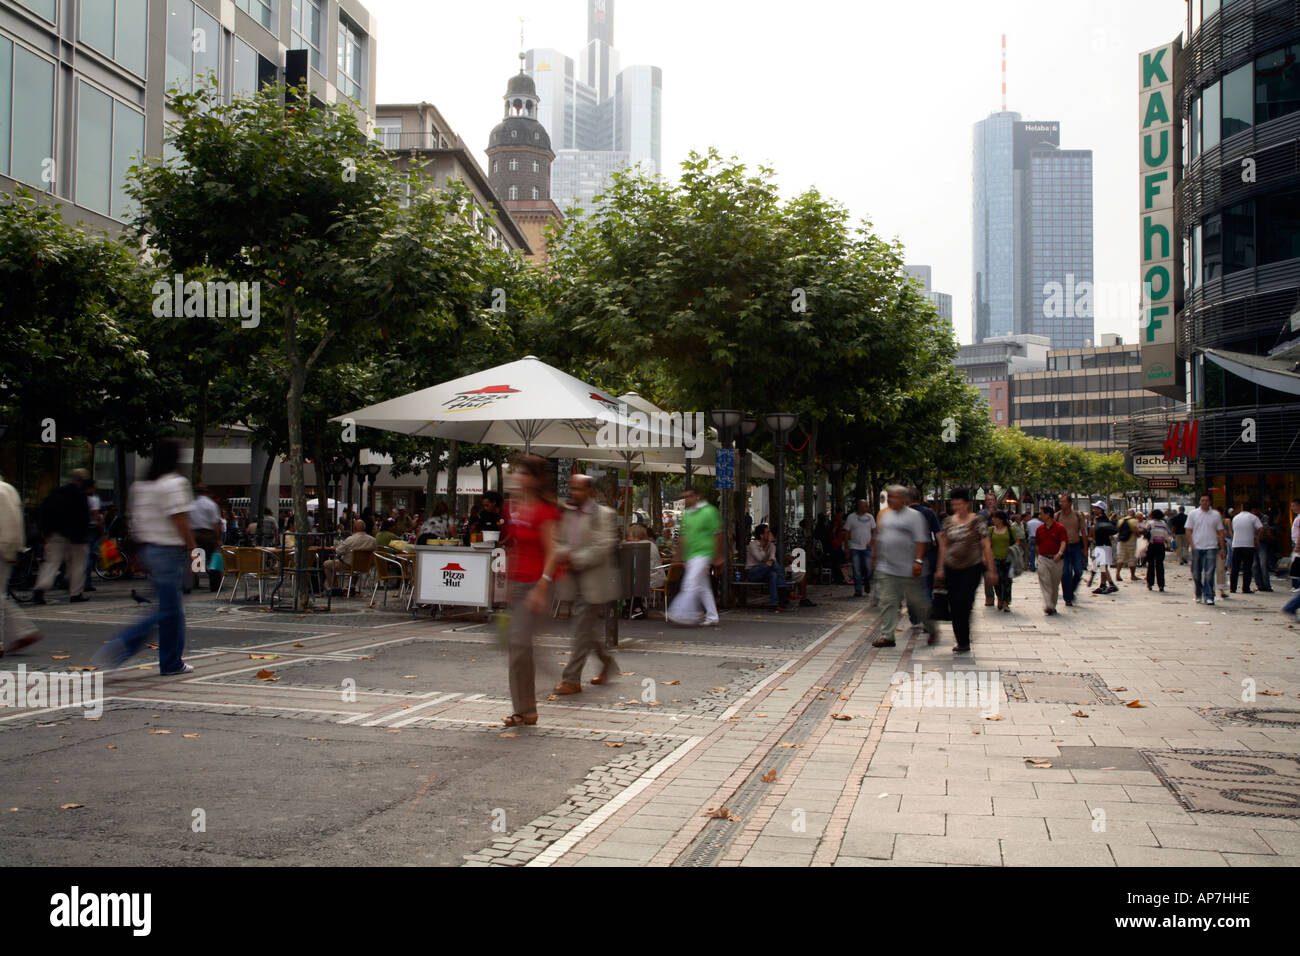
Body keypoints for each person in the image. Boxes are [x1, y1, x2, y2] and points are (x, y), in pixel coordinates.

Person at [91, 441, 196, 675]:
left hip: (150, 549)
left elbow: (134, 522)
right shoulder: (175, 484)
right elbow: (181, 520)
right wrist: (192, 547)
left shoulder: (142, 486)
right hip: (168, 551)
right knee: (167, 610)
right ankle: (122, 645)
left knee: (174, 611)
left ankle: (171, 662)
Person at [501, 454, 562, 727]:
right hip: (518, 584)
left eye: (522, 473)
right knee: (518, 646)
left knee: (519, 644)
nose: (516, 477)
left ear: (535, 479)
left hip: (537, 585)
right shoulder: (514, 507)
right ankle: (526, 710)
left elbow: (553, 552)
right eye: (515, 472)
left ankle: (525, 709)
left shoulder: (545, 511)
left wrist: (542, 586)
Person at [553, 474, 619, 694]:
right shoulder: (567, 513)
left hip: (594, 581)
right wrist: (563, 553)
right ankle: (606, 662)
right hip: (572, 580)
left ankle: (571, 679)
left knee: (581, 628)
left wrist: (575, 558)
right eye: (572, 488)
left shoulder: (604, 515)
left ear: (590, 492)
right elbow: (560, 541)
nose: (573, 493)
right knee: (586, 630)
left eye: (579, 489)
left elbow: (603, 545)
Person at [871, 486, 936, 646]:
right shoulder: (886, 516)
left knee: (918, 603)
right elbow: (880, 536)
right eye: (890, 497)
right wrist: (875, 556)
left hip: (909, 568)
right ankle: (887, 635)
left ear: (904, 498)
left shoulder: (914, 517)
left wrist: (918, 561)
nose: (891, 500)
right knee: (887, 601)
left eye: (894, 497)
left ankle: (931, 627)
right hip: (887, 567)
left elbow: (921, 540)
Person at [935, 488, 996, 655]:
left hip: (972, 567)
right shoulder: (948, 522)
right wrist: (940, 568)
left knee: (964, 601)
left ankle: (964, 636)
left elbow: (986, 545)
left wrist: (991, 569)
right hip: (951, 567)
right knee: (954, 604)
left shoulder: (977, 521)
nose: (956, 507)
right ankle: (961, 640)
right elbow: (944, 546)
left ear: (967, 504)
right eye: (953, 504)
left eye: (959, 504)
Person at [32, 468, 92, 605]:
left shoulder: (56, 493)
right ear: (81, 481)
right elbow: (83, 518)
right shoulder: (80, 496)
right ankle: (75, 593)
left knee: (51, 562)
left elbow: (44, 511)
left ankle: (40, 588)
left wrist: (46, 532)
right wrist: (82, 535)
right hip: (76, 537)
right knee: (78, 564)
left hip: (55, 535)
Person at [667, 486, 723, 628]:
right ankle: (712, 616)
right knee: (703, 587)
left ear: (697, 496)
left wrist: (717, 555)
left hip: (704, 553)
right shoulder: (687, 515)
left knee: (689, 583)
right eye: (685, 496)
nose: (687, 499)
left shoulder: (709, 511)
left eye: (689, 496)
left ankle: (680, 613)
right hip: (692, 555)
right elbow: (683, 536)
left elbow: (718, 534)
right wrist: (680, 556)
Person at [0, 472, 42, 654]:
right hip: (7, 547)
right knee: (1, 594)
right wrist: (16, 547)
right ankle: (23, 631)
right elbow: (16, 521)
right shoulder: (8, 489)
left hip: (2, 546)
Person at [907, 488, 941, 633]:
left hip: (908, 556)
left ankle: (914, 617)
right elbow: (939, 535)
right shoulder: (929, 513)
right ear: (920, 498)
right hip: (926, 555)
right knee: (926, 587)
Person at [1185, 493, 1226, 605]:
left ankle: (1209, 595)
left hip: (1211, 547)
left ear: (1210, 502)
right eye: (1202, 500)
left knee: (1209, 573)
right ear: (1199, 502)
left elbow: (1221, 532)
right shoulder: (1193, 514)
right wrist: (1192, 545)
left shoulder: (1215, 515)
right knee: (1196, 573)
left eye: (1207, 500)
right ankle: (1199, 593)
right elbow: (1188, 530)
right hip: (1197, 547)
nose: (1204, 502)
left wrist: (1222, 548)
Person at [323, 519, 377, 593]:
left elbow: (338, 551)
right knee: (356, 563)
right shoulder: (373, 540)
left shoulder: (350, 539)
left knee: (326, 564)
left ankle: (334, 587)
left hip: (349, 565)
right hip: (365, 566)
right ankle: (352, 586)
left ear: (354, 528)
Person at [1034, 506, 1069, 615]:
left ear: (1048, 514)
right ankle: (1048, 603)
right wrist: (1038, 557)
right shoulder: (1039, 529)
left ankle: (1052, 605)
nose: (1040, 516)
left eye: (1041, 514)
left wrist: (1059, 553)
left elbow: (1064, 542)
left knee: (1054, 584)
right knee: (1045, 581)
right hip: (1043, 558)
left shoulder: (1060, 528)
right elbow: (1037, 544)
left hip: (1056, 559)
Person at [745, 524, 788, 613]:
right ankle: (784, 589)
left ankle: (774, 604)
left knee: (773, 574)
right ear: (761, 535)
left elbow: (773, 558)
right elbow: (760, 558)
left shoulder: (772, 546)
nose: (770, 534)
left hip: (766, 571)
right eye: (767, 532)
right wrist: (768, 545)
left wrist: (770, 561)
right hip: (753, 571)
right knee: (774, 566)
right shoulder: (753, 545)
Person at [1055, 494, 1088, 607]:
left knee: (1078, 571)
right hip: (1062, 548)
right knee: (1065, 573)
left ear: (1070, 503)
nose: (1061, 504)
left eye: (1063, 501)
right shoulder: (1057, 516)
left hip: (1075, 546)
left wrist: (1085, 549)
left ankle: (1071, 590)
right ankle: (1067, 597)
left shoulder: (1078, 515)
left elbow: (1083, 533)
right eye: (1060, 502)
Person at [190, 485, 223, 593]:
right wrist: (218, 538)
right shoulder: (211, 505)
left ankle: (192, 582)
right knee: (214, 559)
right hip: (209, 535)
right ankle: (215, 585)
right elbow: (215, 523)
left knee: (196, 559)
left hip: (195, 535)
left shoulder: (192, 504)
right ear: (207, 493)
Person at [843, 499, 876, 597]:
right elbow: (847, 532)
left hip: (867, 547)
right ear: (859, 506)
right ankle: (858, 590)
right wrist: (846, 547)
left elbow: (874, 531)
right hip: (855, 547)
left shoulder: (870, 517)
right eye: (865, 506)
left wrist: (872, 542)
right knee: (856, 569)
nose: (867, 507)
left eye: (867, 505)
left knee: (868, 568)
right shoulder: (851, 517)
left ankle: (866, 581)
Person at [1230, 502, 1263, 594]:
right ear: (1251, 509)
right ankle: (1245, 588)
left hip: (1236, 544)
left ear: (1241, 507)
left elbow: (1234, 529)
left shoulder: (1235, 517)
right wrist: (1257, 540)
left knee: (1235, 567)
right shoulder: (1253, 517)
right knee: (1247, 568)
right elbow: (1261, 529)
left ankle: (1233, 588)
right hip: (1248, 545)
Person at [988, 510, 1016, 612]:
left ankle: (1006, 602)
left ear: (1000, 519)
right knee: (997, 581)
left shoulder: (1009, 529)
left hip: (1007, 559)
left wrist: (1012, 549)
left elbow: (1017, 541)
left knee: (1008, 581)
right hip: (995, 559)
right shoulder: (990, 530)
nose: (993, 519)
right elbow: (987, 544)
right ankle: (999, 597)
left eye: (995, 517)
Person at [1089, 505, 1118, 596]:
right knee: (1102, 566)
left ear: (1101, 510)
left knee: (1102, 566)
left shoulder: (1102, 519)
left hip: (1103, 545)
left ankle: (1111, 584)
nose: (1094, 510)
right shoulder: (1100, 519)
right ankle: (1103, 585)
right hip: (1101, 545)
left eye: (1096, 509)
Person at [83, 479, 103, 593]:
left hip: (82, 529)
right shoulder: (94, 499)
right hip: (92, 529)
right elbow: (95, 516)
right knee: (90, 556)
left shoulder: (81, 498)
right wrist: (101, 526)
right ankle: (87, 582)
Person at [1145, 509, 1172, 592]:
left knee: (1151, 565)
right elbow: (1167, 535)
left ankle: (1150, 583)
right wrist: (1168, 544)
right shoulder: (1164, 524)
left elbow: (1146, 532)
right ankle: (1161, 585)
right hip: (1160, 546)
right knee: (1160, 565)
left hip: (1151, 545)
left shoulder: (1150, 523)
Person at [1115, 509, 1141, 582]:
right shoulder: (1134, 521)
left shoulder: (1120, 521)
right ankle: (1132, 575)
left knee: (1121, 557)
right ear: (1134, 514)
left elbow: (1118, 530)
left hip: (1121, 541)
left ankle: (1117, 573)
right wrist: (1139, 535)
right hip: (1131, 541)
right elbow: (1136, 532)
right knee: (1132, 558)